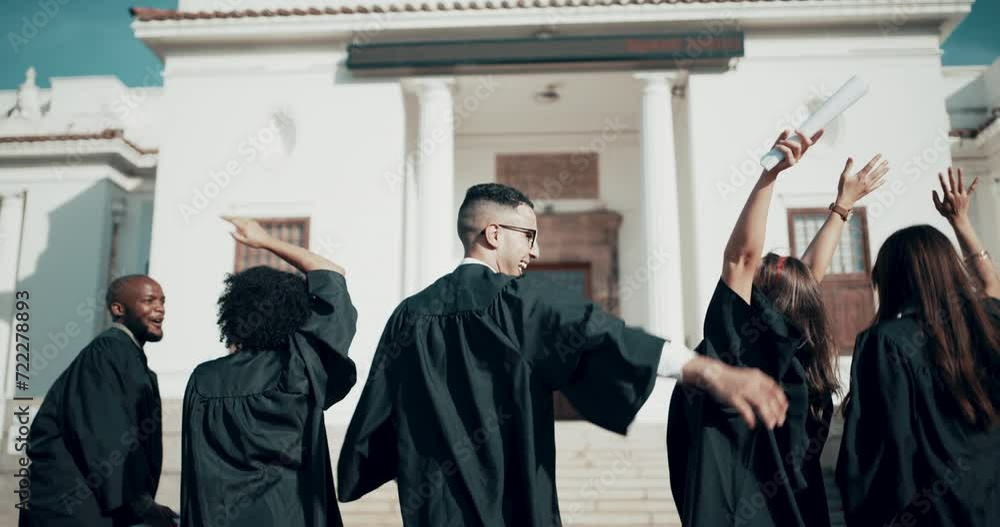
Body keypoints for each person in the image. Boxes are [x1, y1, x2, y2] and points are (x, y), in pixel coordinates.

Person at [338, 182, 790, 527]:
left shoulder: (407, 316)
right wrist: (710, 371)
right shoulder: (519, 303)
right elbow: (607, 335)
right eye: (529, 235)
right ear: (493, 233)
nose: (535, 251)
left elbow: (378, 419)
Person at [667, 129, 889, 526]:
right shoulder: (799, 365)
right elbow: (804, 281)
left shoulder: (734, 352)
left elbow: (740, 257)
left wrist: (770, 174)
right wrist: (842, 207)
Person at [836, 167, 1000, 527]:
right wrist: (961, 223)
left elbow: (884, 447)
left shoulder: (885, 343)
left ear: (893, 279)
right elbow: (992, 285)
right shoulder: (988, 325)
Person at [180, 217, 358, 527]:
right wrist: (265, 240)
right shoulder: (300, 368)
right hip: (293, 516)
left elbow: (194, 468)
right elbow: (332, 275)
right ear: (295, 316)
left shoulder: (203, 379)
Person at [20, 276, 175, 527]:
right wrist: (139, 503)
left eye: (162, 301)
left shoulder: (128, 355)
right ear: (118, 309)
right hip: (72, 508)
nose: (160, 308)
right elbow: (105, 435)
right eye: (149, 301)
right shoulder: (107, 353)